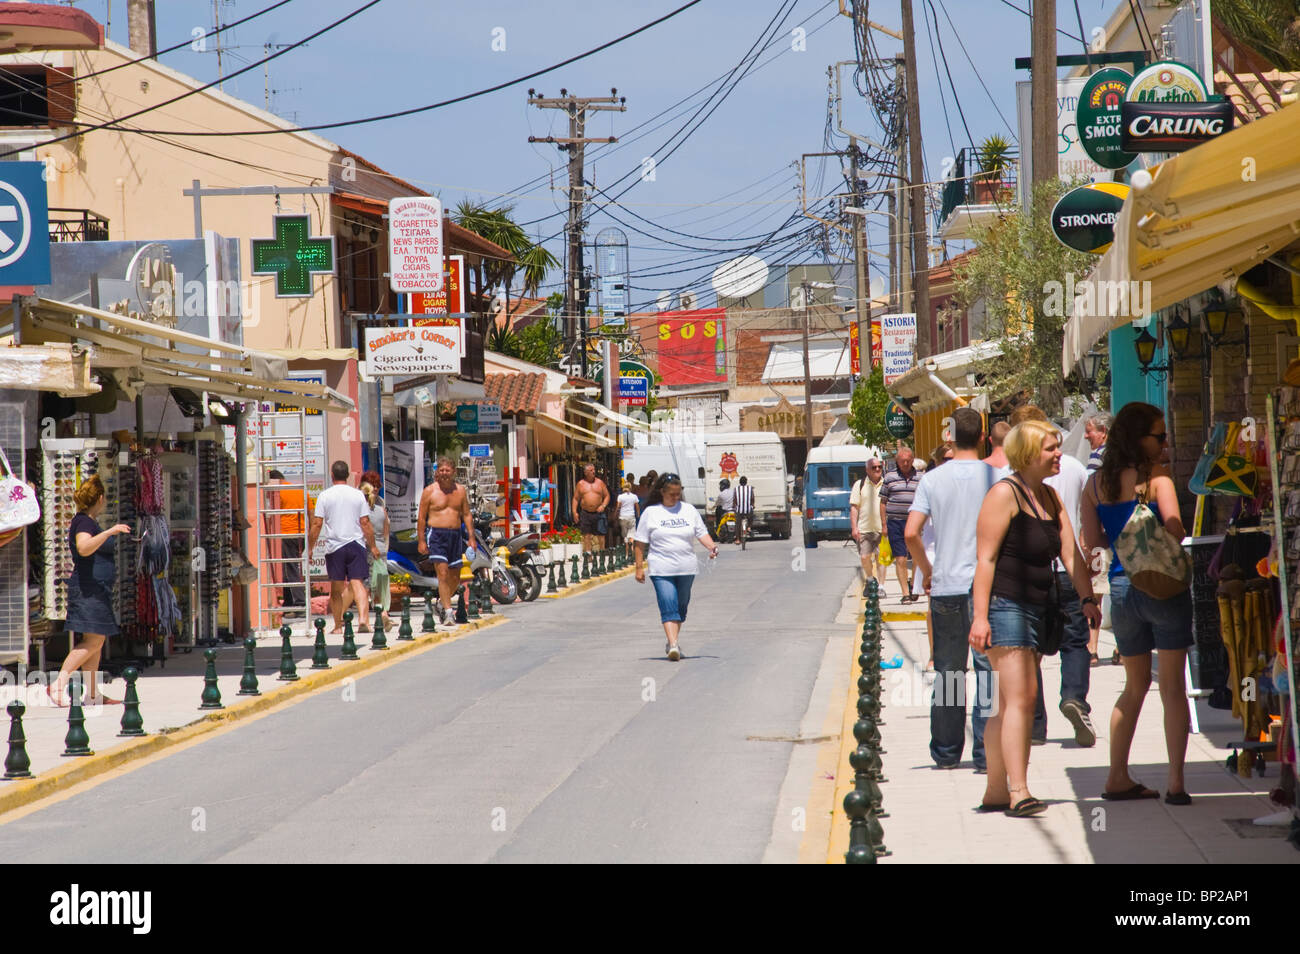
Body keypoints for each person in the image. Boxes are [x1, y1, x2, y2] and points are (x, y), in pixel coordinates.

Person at [969, 421, 1101, 817]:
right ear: (1027, 454)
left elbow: (1072, 554)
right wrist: (979, 618)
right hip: (1005, 607)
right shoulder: (1002, 495)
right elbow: (985, 560)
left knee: (1008, 704)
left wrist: (1087, 599)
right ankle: (1019, 790)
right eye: (1050, 449)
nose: (1059, 454)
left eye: (1057, 447)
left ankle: (995, 790)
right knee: (1023, 701)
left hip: (1040, 607)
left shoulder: (1050, 496)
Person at [1080, 402, 1195, 805]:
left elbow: (1093, 547)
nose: (1165, 444)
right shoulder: (1157, 480)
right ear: (1138, 438)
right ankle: (1177, 783)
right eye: (1159, 437)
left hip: (1122, 590)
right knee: (1173, 688)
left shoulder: (1094, 487)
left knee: (1134, 686)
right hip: (1163, 588)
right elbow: (1177, 533)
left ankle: (1116, 776)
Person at [905, 408, 995, 771]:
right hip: (986, 589)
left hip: (945, 587)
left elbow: (911, 533)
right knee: (989, 672)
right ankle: (987, 753)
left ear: (950, 438)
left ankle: (945, 752)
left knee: (948, 672)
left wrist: (927, 571)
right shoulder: (998, 476)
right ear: (983, 437)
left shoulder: (932, 480)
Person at [1008, 406, 1097, 749]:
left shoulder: (1006, 478)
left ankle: (1034, 724)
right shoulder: (1075, 467)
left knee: (1030, 651)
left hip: (1025, 580)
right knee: (1074, 642)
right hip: (1067, 572)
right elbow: (1083, 519)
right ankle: (1074, 696)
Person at [54, 474, 130, 706]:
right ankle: (58, 684)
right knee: (94, 642)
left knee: (95, 640)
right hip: (88, 591)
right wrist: (109, 532)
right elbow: (84, 548)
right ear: (100, 498)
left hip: (95, 590)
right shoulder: (85, 522)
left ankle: (93, 694)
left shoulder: (86, 521)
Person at [632, 473, 719, 661]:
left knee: (681, 607)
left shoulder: (688, 510)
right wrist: (639, 568)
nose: (675, 497)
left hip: (686, 568)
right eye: (672, 493)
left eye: (678, 493)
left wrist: (712, 546)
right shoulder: (651, 513)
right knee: (668, 605)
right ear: (662, 492)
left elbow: (701, 532)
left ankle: (672, 641)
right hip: (661, 568)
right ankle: (673, 645)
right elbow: (639, 542)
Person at [309, 461, 379, 634]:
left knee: (336, 588)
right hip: (356, 544)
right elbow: (365, 522)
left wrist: (309, 548)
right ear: (347, 475)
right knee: (358, 583)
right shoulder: (358, 495)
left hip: (335, 546)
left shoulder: (325, 496)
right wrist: (373, 545)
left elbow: (317, 524)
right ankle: (363, 620)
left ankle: (338, 626)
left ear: (332, 475)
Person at [417, 456, 475, 627]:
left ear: (453, 472)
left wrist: (471, 537)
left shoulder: (460, 491)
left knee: (455, 575)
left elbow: (466, 514)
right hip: (436, 535)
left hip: (455, 535)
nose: (444, 473)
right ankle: (449, 613)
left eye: (447, 470)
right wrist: (421, 540)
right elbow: (421, 517)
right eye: (441, 470)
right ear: (437, 472)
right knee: (442, 573)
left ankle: (442, 602)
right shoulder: (429, 491)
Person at [879, 446, 921, 603]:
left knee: (917, 557)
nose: (906, 463)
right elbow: (883, 502)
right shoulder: (890, 477)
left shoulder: (920, 477)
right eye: (903, 460)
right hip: (895, 522)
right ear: (897, 461)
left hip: (915, 521)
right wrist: (884, 524)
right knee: (901, 558)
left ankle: (914, 585)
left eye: (908, 460)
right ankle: (905, 593)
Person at [849, 458, 887, 595]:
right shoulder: (859, 485)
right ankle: (871, 580)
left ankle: (881, 587)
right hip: (864, 529)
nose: (877, 469)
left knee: (881, 559)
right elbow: (854, 508)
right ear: (867, 470)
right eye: (874, 467)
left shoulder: (886, 484)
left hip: (882, 529)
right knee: (865, 557)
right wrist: (854, 527)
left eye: (879, 467)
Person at [268, 468, 305, 608]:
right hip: (301, 533)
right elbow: (311, 513)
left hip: (285, 533)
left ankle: (299, 601)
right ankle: (289, 601)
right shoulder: (299, 490)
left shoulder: (278, 491)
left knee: (289, 568)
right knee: (290, 568)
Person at [360, 479, 392, 631]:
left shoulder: (362, 511)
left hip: (368, 548)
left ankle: (365, 618)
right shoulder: (382, 510)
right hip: (381, 549)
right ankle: (383, 614)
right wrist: (384, 549)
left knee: (365, 585)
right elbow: (386, 533)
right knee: (379, 583)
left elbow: (363, 530)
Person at [572, 463, 610, 553]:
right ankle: (588, 555)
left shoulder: (600, 483)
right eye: (591, 470)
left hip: (599, 512)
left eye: (594, 470)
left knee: (601, 535)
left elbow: (607, 496)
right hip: (586, 513)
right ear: (585, 472)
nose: (594, 472)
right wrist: (574, 512)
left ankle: (602, 553)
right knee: (587, 535)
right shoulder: (580, 484)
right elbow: (575, 499)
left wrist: (603, 505)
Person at [616, 480, 641, 559]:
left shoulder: (620, 497)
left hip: (622, 517)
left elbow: (618, 507)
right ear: (630, 488)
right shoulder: (634, 496)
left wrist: (615, 515)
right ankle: (632, 550)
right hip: (631, 516)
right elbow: (637, 507)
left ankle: (627, 552)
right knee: (632, 535)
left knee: (625, 535)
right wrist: (638, 514)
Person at [734, 475, 755, 544]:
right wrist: (752, 505)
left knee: (737, 524)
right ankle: (749, 527)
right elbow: (752, 498)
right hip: (748, 510)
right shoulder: (750, 488)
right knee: (751, 517)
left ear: (740, 482)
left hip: (739, 511)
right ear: (746, 482)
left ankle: (737, 539)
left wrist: (734, 506)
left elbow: (735, 499)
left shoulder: (736, 489)